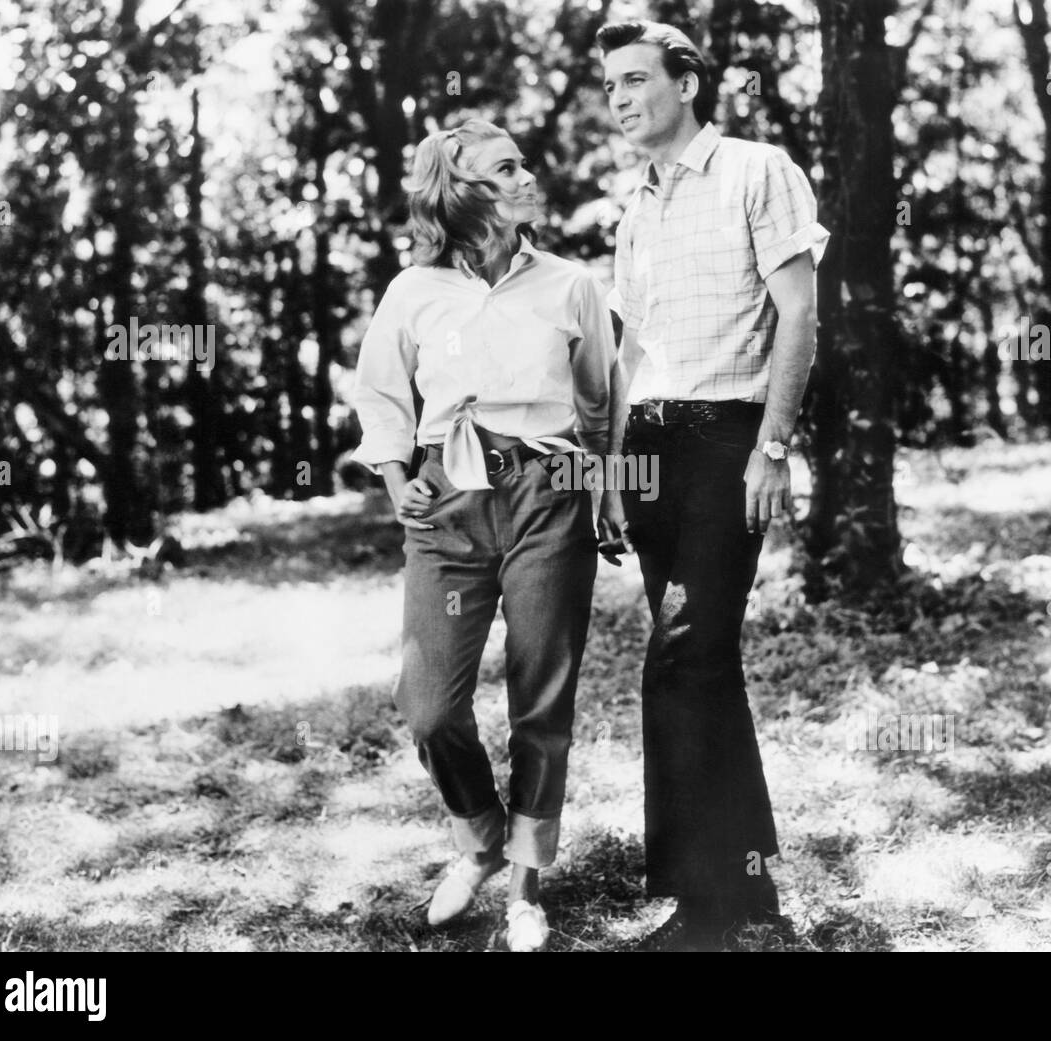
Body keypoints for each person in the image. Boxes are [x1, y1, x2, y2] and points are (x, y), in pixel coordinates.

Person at [350, 118, 614, 952]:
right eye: (509, 167)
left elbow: (602, 401)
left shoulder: (570, 284)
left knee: (542, 699)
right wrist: (400, 486)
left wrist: (603, 487)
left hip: (549, 493)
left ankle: (526, 889)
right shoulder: (414, 291)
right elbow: (381, 396)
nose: (529, 174)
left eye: (526, 162)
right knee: (428, 707)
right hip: (448, 499)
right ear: (461, 191)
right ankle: (480, 837)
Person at [594, 20, 830, 950]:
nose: (617, 98)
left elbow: (800, 312)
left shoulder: (756, 170)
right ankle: (749, 881)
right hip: (649, 444)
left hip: (729, 437)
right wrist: (612, 467)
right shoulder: (635, 207)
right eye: (608, 84)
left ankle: (701, 907)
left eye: (634, 79)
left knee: (682, 654)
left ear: (687, 84)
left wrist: (772, 446)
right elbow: (626, 353)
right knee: (705, 665)